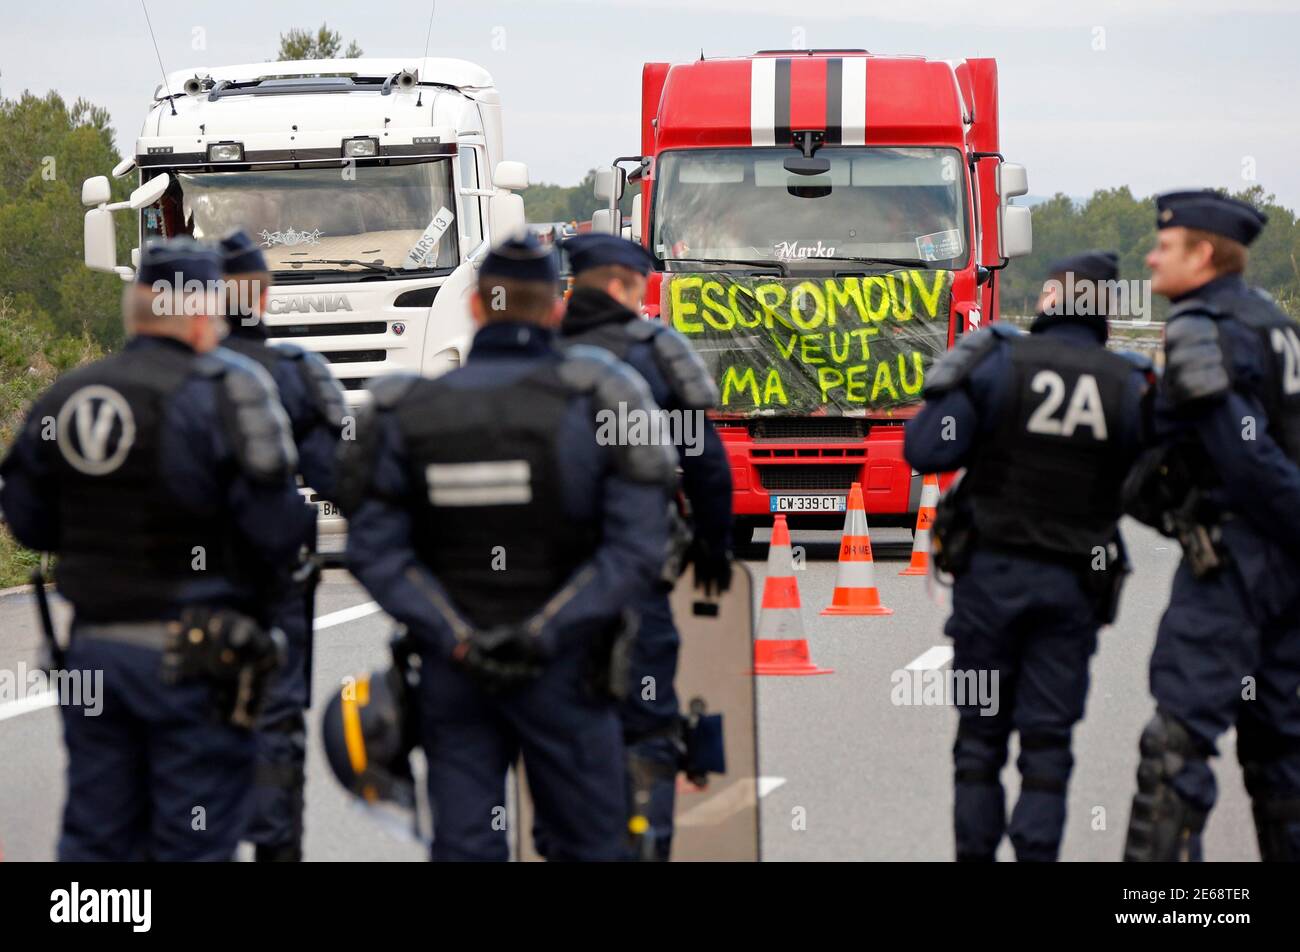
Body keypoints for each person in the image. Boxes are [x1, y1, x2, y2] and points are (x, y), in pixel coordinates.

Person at [337, 232, 675, 861]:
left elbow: (374, 552)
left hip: (455, 672)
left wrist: (458, 637)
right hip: (569, 669)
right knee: (590, 846)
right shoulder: (603, 396)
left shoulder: (410, 409)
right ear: (555, 306)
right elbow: (637, 549)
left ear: (474, 307)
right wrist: (545, 634)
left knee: (467, 846)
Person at [0, 238, 311, 860]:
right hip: (196, 665)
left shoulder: (70, 396)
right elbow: (278, 534)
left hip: (93, 655)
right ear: (200, 314)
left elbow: (27, 522)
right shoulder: (229, 393)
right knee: (190, 840)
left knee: (96, 838)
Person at [903, 249, 1152, 861]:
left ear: (1048, 300)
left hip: (991, 580)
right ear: (1109, 313)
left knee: (980, 745)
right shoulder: (1130, 384)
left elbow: (925, 449)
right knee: (1047, 748)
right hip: (1074, 587)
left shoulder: (999, 362)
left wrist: (955, 377)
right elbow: (1157, 489)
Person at [1122, 190, 1300, 862]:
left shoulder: (1203, 326)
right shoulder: (1275, 323)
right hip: (1283, 568)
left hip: (1235, 564)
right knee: (1281, 748)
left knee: (1175, 751)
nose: (1151, 256)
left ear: (1202, 254)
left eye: (1164, 246)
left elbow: (1247, 459)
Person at [558, 232, 732, 860]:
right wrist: (715, 547)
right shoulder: (656, 353)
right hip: (637, 578)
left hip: (547, 586)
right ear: (627, 285)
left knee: (562, 730)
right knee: (648, 725)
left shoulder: (537, 352)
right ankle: (645, 844)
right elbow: (706, 464)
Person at [217, 230, 348, 862]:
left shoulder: (144, 379)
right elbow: (343, 482)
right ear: (264, 293)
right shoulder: (292, 376)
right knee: (273, 722)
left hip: (163, 595)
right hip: (269, 588)